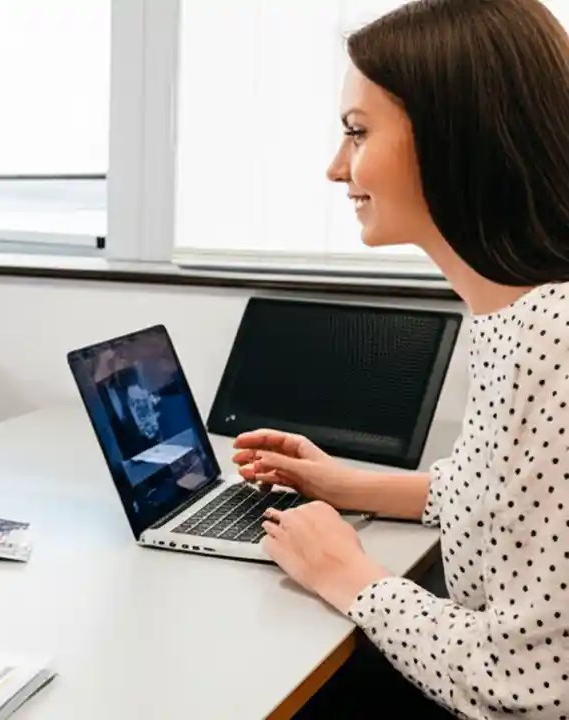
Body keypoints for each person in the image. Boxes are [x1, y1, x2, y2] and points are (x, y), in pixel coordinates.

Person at [233, 1, 569, 717]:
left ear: (456, 138)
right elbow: (499, 500)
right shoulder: (512, 316)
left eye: (357, 133)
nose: (335, 168)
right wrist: (342, 484)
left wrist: (347, 574)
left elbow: (529, 691)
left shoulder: (554, 340)